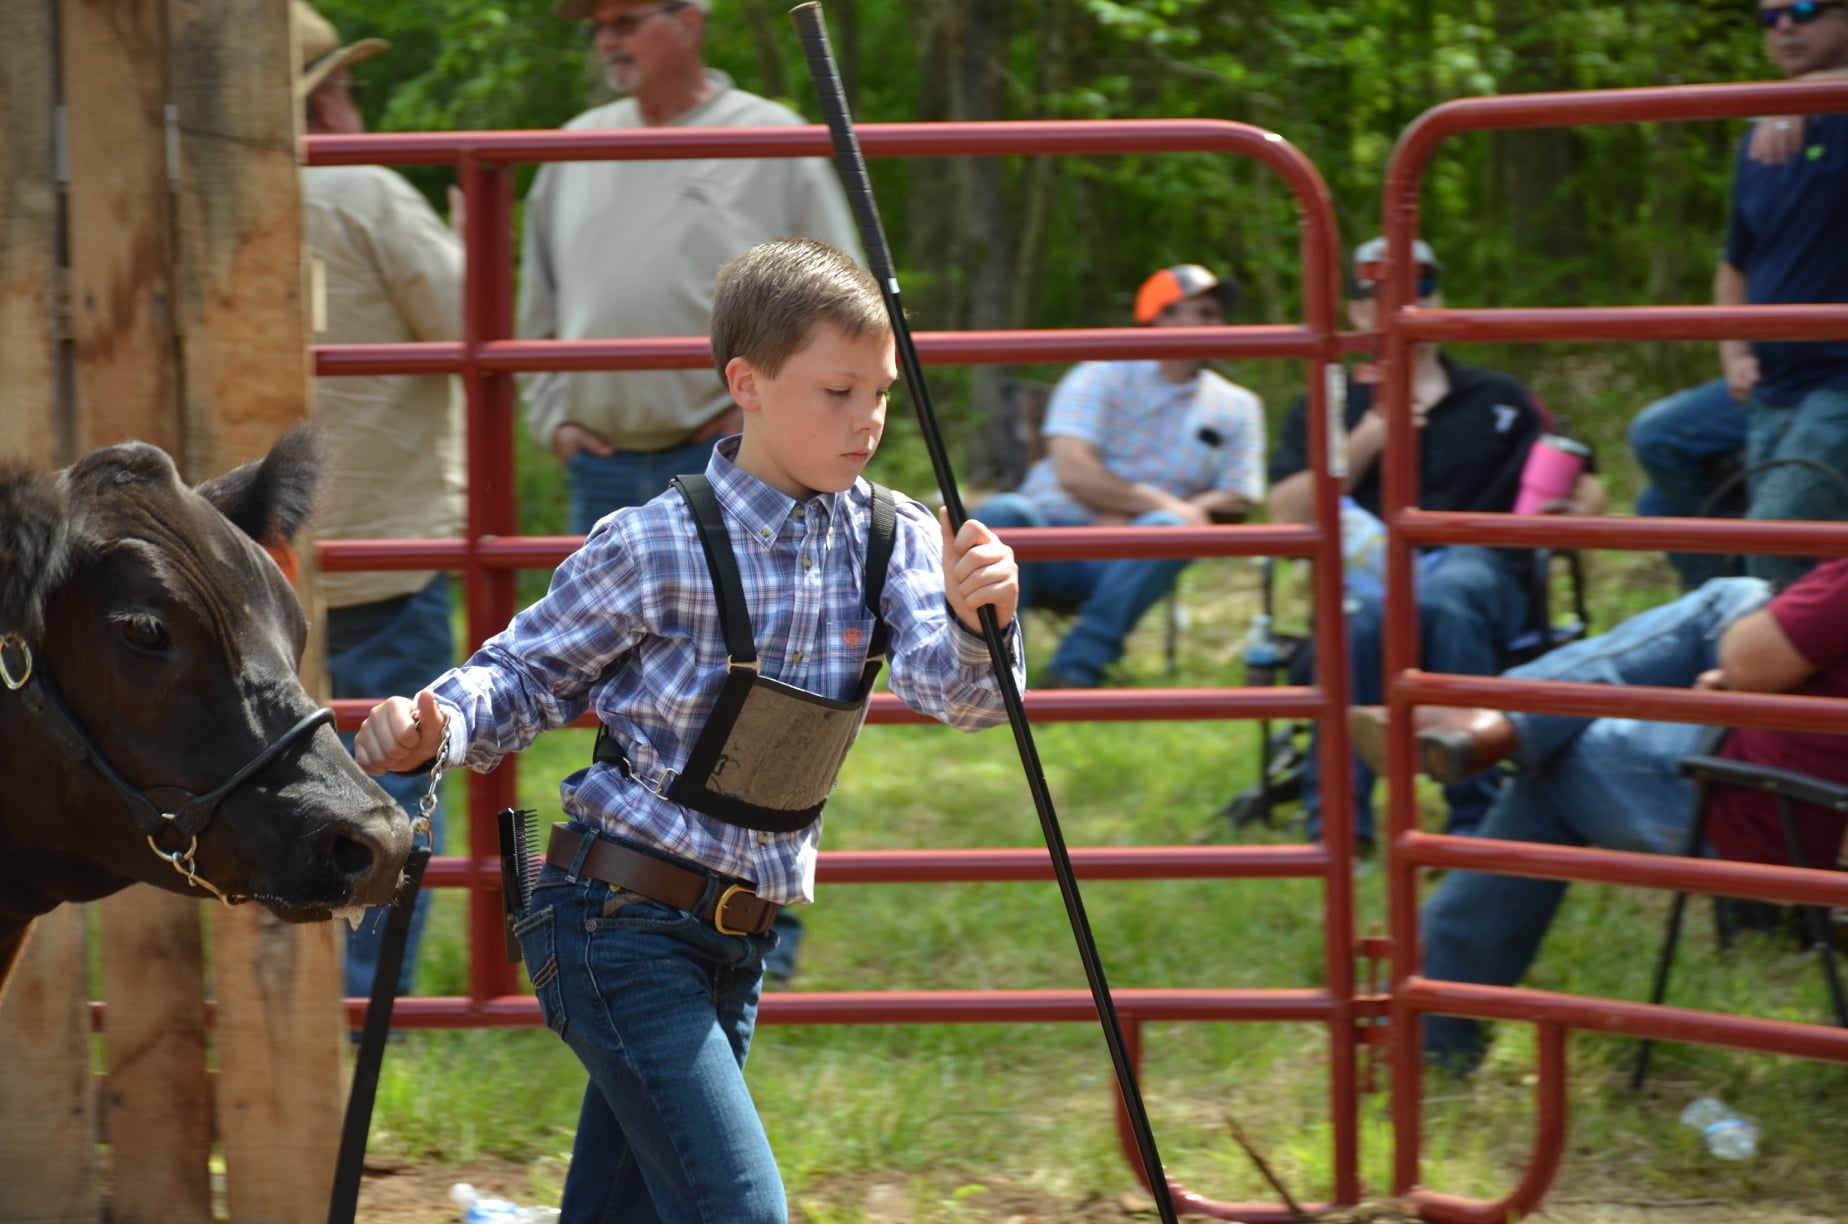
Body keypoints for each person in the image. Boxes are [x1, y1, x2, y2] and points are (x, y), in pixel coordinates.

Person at [354, 238, 1022, 1222]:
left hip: (737, 938)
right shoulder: (654, 543)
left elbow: (962, 700)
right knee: (736, 1211)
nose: (867, 421)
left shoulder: (894, 539)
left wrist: (980, 625)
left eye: (879, 394)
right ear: (745, 384)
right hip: (615, 926)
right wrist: (437, 725)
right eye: (836, 393)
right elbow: (524, 672)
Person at [1348, 556, 1848, 1073]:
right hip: (1818, 802)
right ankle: (1504, 719)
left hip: (1778, 808)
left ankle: (1430, 1030)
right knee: (1731, 596)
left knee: (1559, 763)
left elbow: (1751, 661)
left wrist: (1736, 679)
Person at [1268, 238, 1607, 846]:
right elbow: (1283, 513)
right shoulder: (1329, 403)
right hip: (1370, 577)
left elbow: (1586, 489)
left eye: (1419, 286)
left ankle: (1474, 818)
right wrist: (1368, 438)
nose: (1401, 301)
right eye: (1379, 290)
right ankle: (1341, 832)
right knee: (1363, 617)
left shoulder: (1500, 396)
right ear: (1357, 312)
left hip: (1483, 573)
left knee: (1451, 590)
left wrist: (1571, 511)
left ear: (1439, 300)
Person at [518, 0, 863, 536]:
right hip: (600, 463)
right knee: (608, 621)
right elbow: (537, 299)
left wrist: (768, 420)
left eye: (626, 22)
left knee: (742, 620)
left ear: (690, 23)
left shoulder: (770, 136)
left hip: (735, 458)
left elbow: (840, 299)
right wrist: (553, 422)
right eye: (600, 28)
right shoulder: (574, 146)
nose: (608, 41)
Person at [297, 1, 465, 1002]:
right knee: (390, 776)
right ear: (322, 102)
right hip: (388, 550)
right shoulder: (367, 189)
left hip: (260, 564)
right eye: (346, 88)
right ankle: (363, 1001)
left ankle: (300, 996)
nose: (358, 107)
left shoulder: (199, 199)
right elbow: (472, 314)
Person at [975, 264, 1265, 689]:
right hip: (1047, 537)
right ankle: (989, 670)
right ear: (1159, 318)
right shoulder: (1100, 374)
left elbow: (1240, 494)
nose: (1218, 325)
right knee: (1003, 511)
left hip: (1135, 553)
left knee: (1170, 531)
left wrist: (1169, 518)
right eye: (1203, 313)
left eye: (1218, 315)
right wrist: (1163, 506)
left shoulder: (1237, 405)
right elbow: (1074, 469)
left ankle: (1074, 674)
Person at [1715, 0, 1848, 590]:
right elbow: (1734, 264)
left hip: (1838, 377)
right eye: (1770, 18)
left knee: (1772, 532)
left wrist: (1820, 91)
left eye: (1802, 9)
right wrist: (1735, 353)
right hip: (1774, 380)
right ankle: (1717, 637)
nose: (1786, 26)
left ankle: (1772, 671)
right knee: (1660, 448)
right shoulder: (1758, 133)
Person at [1627, 378, 1749, 590]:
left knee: (1652, 436)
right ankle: (1725, 604)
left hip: (1794, 380)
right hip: (1765, 375)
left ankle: (1734, 588)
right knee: (1655, 505)